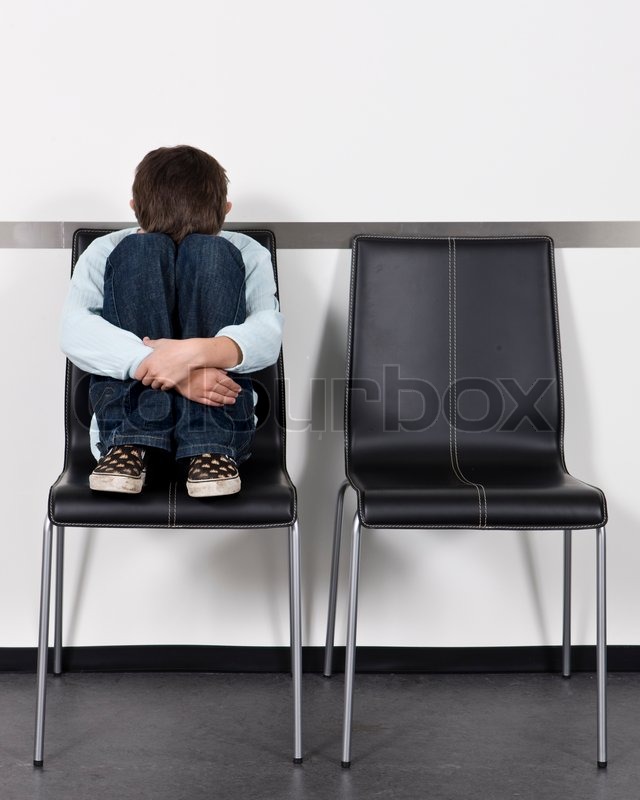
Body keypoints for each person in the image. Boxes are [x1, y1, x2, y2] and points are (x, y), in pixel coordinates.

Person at [60, 145, 283, 498]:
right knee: (140, 249)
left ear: (134, 206)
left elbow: (267, 336)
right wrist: (174, 371)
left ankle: (208, 442)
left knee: (211, 252)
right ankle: (132, 441)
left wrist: (192, 354)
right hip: (125, 441)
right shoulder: (106, 250)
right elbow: (75, 331)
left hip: (219, 442)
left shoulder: (246, 252)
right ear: (226, 209)